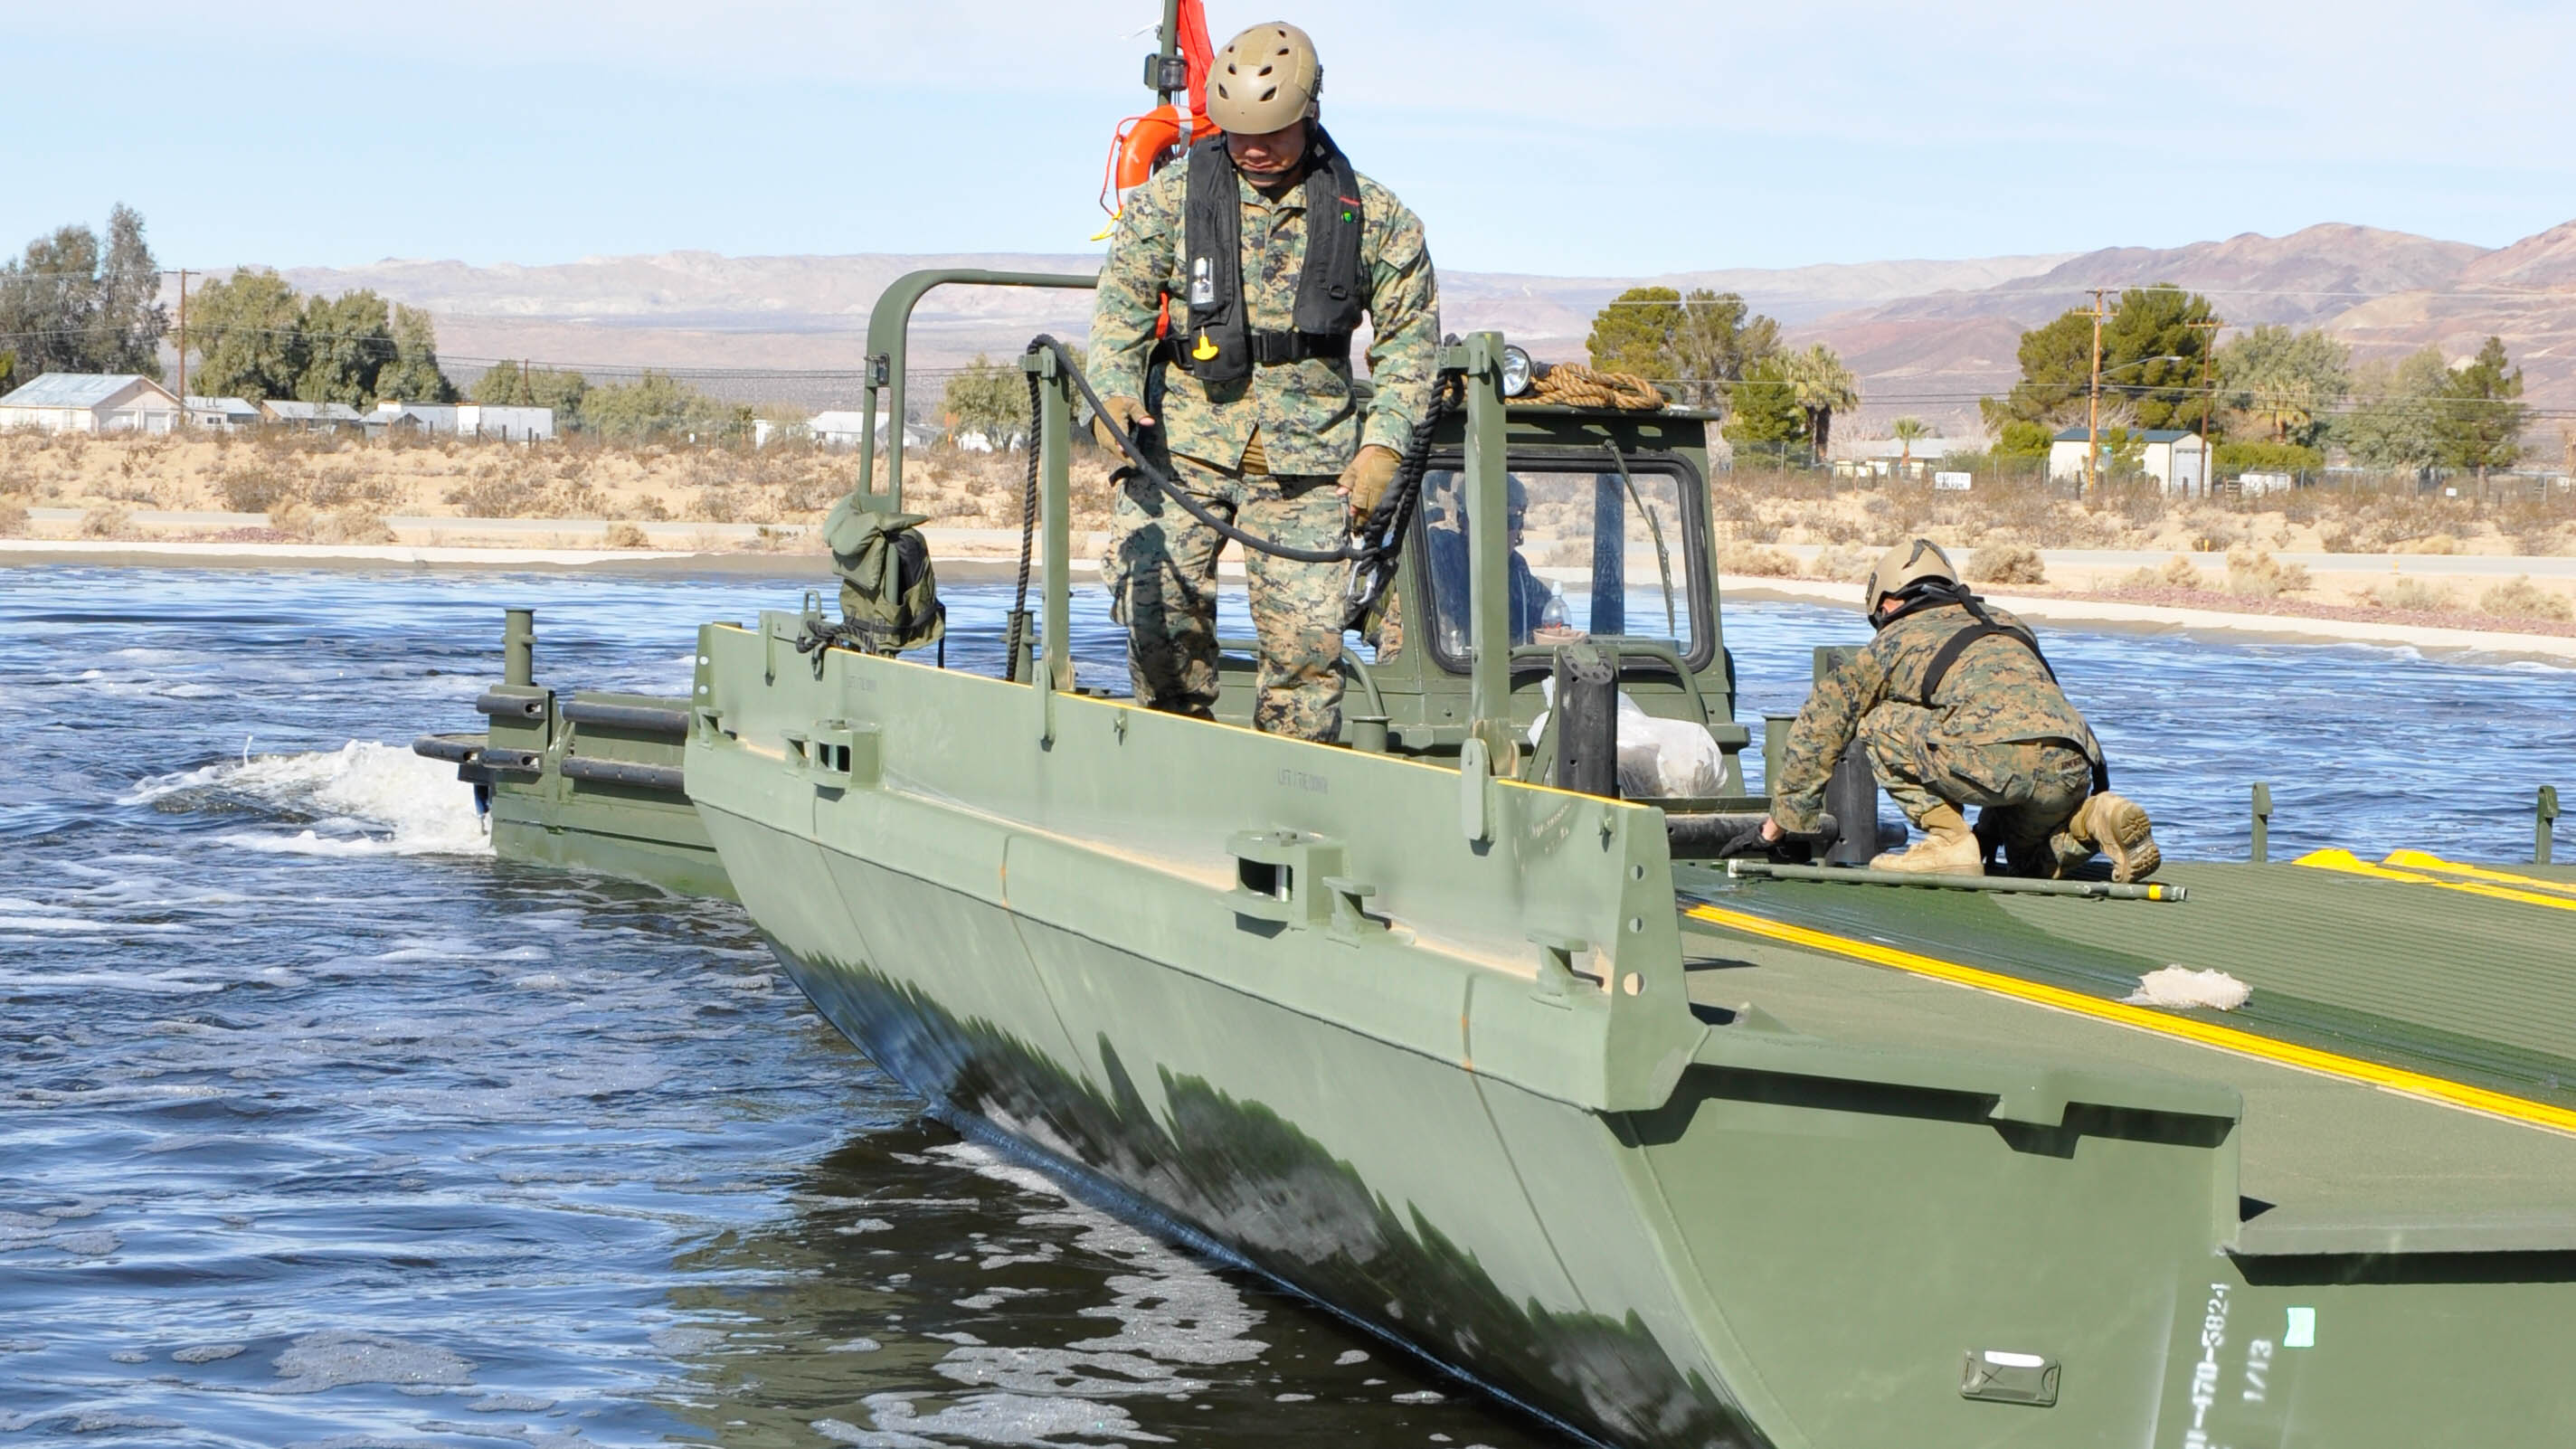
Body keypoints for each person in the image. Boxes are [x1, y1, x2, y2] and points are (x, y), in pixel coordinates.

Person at [1087, 20, 1440, 742]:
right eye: (1240, 131)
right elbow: (1121, 303)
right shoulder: (1172, 200)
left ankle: (1294, 790)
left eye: (1272, 132)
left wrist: (1384, 448)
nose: (1253, 147)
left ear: (1310, 115)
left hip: (1310, 464)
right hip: (1182, 444)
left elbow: (1410, 345)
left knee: (1307, 655)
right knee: (1157, 615)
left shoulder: (1378, 219)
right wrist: (1112, 398)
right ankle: (1176, 754)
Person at [1751, 539, 2160, 880]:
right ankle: (2098, 817)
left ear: (1889, 604)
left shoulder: (1895, 638)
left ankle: (1949, 842)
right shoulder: (2006, 621)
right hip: (2072, 762)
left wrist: (1782, 824)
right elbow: (2019, 715)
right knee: (2030, 862)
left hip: (1992, 763)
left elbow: (1821, 723)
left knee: (1877, 722)